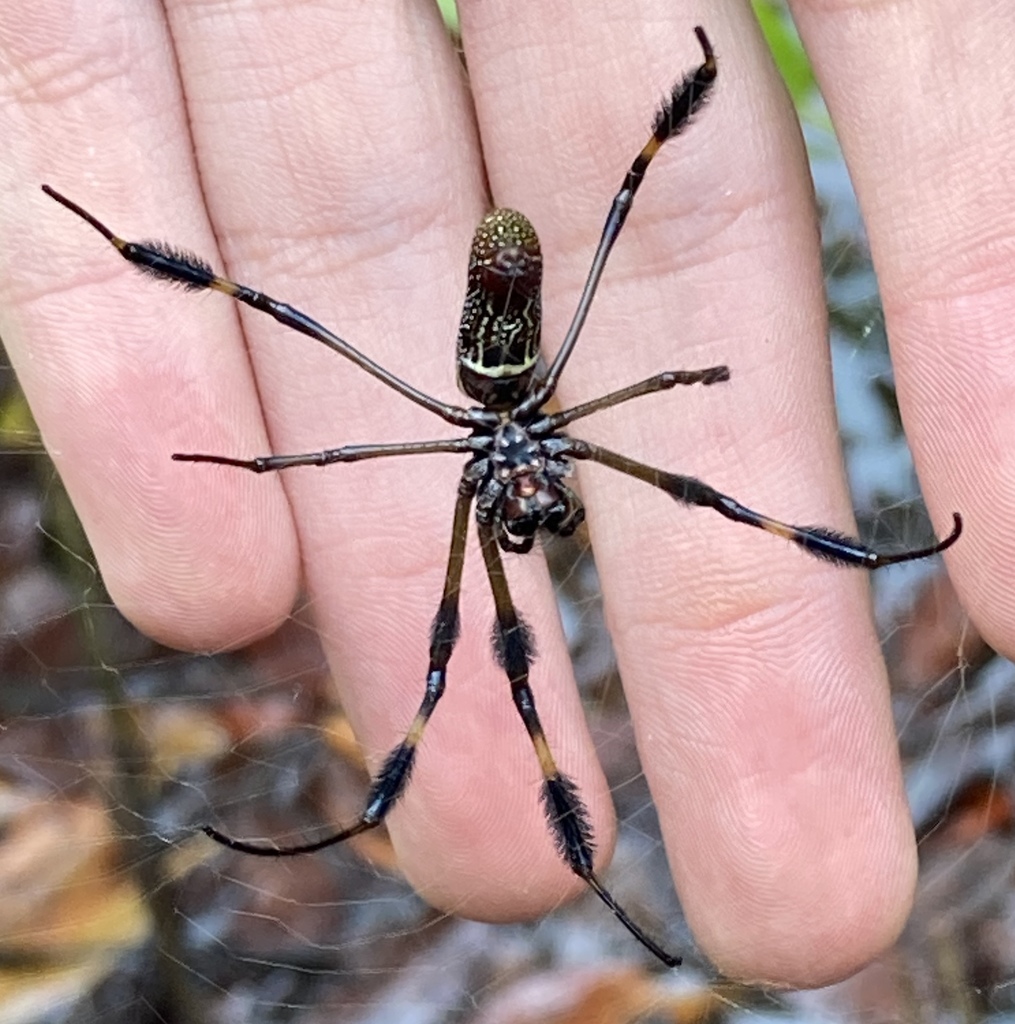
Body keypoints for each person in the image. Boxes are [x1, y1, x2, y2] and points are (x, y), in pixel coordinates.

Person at [0, 0, 1008, 988]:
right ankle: (438, 816)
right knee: (462, 653)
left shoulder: (512, 456)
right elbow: (328, 438)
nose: (535, 506)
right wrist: (261, 464)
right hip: (508, 377)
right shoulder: (517, 461)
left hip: (507, 352)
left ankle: (697, 92)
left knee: (694, 479)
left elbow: (678, 437)